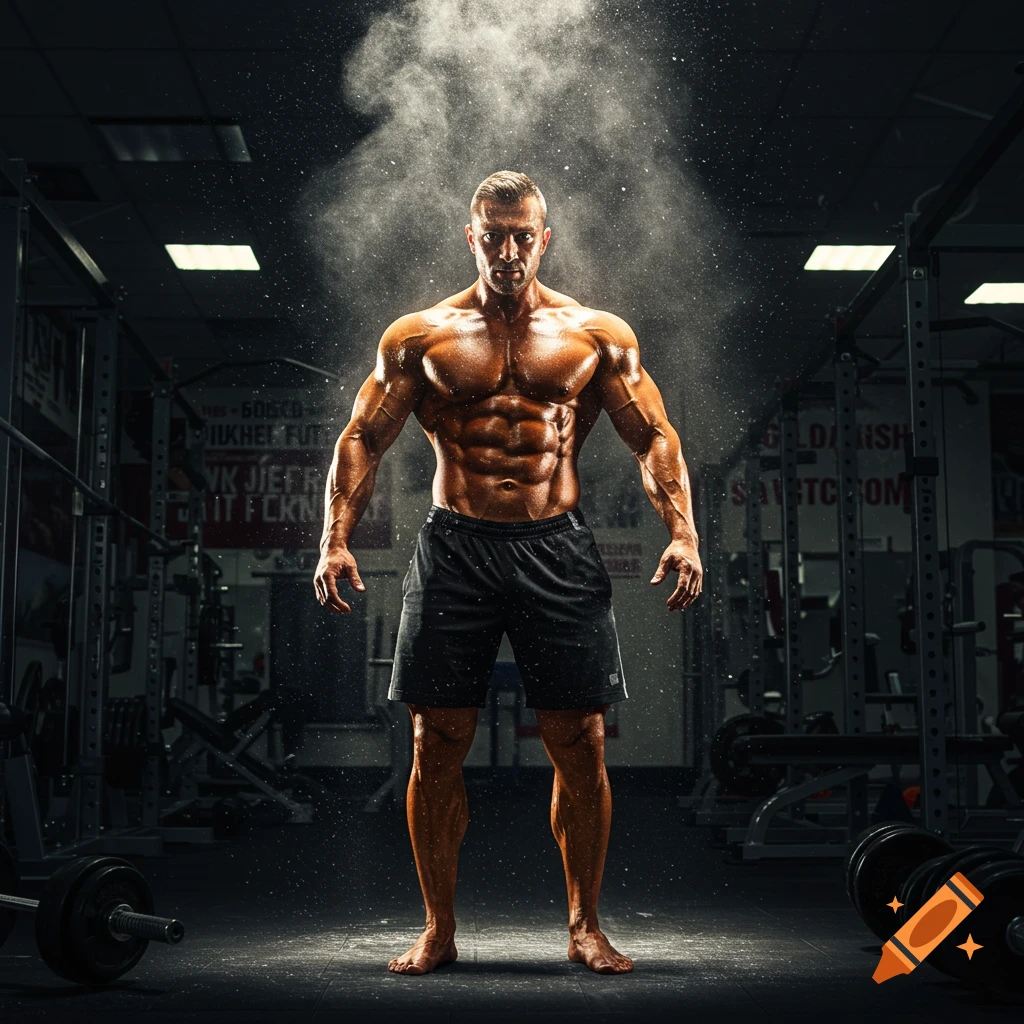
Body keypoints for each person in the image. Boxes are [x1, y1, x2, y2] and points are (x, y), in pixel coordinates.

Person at [314, 170, 702, 976]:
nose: (508, 250)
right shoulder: (419, 336)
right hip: (454, 546)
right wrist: (335, 539)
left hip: (556, 545)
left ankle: (586, 925)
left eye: (523, 233)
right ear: (471, 236)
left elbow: (654, 436)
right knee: (436, 738)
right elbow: (362, 437)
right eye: (493, 234)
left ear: (544, 236)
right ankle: (438, 928)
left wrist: (683, 533)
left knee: (579, 739)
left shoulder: (596, 335)